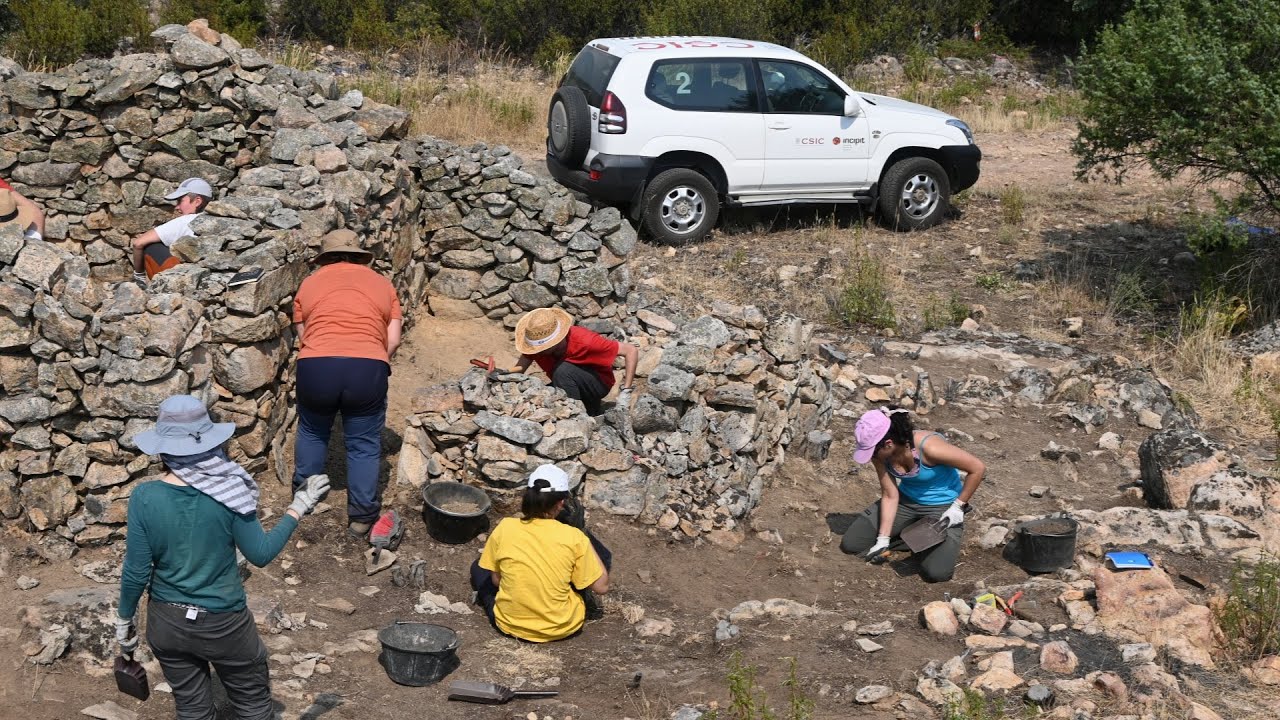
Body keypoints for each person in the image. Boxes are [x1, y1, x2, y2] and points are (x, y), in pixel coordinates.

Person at [115, 394, 330, 720]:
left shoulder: (145, 496)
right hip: (225, 625)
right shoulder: (230, 492)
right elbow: (260, 554)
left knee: (192, 710)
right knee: (253, 707)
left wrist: (124, 621)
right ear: (210, 442)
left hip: (166, 623)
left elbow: (135, 571)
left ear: (162, 448)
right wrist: (297, 508)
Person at [292, 228, 402, 538]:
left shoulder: (310, 283)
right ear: (359, 256)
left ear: (325, 257)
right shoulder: (383, 284)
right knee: (364, 444)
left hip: (316, 365)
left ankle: (305, 500)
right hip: (368, 366)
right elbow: (391, 340)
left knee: (313, 430)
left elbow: (304, 335)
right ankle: (362, 517)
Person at [840, 405, 986, 582]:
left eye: (872, 450)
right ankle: (914, 535)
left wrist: (958, 506)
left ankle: (927, 540)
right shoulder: (880, 455)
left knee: (936, 573)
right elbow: (890, 495)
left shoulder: (930, 448)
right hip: (905, 501)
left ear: (888, 444)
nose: (871, 456)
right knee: (852, 544)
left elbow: (977, 468)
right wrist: (883, 538)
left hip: (942, 507)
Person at [470, 464, 612, 642]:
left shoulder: (505, 527)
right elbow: (602, 587)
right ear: (561, 503)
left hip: (511, 625)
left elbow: (497, 581)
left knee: (479, 567)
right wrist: (582, 536)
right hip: (562, 626)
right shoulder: (574, 537)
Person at [511, 307, 638, 416]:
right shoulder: (536, 348)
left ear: (554, 343)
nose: (537, 352)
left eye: (542, 349)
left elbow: (630, 351)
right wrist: (502, 373)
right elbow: (520, 369)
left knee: (562, 371)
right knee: (540, 393)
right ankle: (586, 408)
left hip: (598, 383)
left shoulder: (585, 341)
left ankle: (575, 414)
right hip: (566, 381)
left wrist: (626, 391)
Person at [131, 177, 213, 284]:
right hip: (209, 277)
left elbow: (138, 243)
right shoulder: (218, 220)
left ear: (197, 201)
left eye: (180, 201)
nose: (177, 207)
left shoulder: (186, 220)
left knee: (150, 246)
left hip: (182, 281)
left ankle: (162, 284)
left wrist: (139, 274)